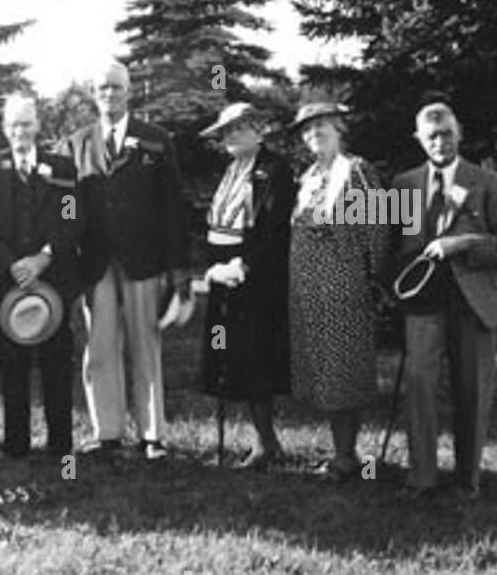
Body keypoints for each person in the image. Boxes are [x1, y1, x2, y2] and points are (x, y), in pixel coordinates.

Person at [392, 101, 497, 500]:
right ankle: (421, 478)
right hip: (423, 305)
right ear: (419, 139)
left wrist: (466, 243)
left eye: (447, 133)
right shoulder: (403, 185)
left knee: (472, 390)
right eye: (431, 135)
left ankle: (467, 482)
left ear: (460, 133)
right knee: (419, 386)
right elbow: (390, 244)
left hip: (475, 304)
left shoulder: (489, 183)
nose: (440, 142)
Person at [69, 62, 191, 460]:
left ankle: (153, 436)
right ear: (93, 92)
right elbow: (67, 207)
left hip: (144, 259)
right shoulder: (76, 142)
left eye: (117, 87)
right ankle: (107, 433)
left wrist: (179, 270)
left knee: (145, 344)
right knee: (100, 348)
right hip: (95, 261)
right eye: (103, 87)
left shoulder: (156, 140)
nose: (110, 94)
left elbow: (174, 207)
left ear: (129, 91)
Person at [0, 95, 82, 458]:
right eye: (13, 125)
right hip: (7, 286)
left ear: (38, 126)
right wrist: (13, 265)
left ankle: (61, 446)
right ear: (5, 129)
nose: (20, 131)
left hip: (54, 279)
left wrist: (43, 258)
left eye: (26, 123)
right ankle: (16, 445)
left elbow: (72, 220)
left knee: (56, 364)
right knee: (12, 366)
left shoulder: (63, 169)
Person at [288, 101, 392, 480]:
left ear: (339, 129)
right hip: (310, 290)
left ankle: (347, 456)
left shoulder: (357, 171)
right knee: (325, 372)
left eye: (323, 126)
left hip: (345, 287)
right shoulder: (308, 177)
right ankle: (340, 451)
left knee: (344, 371)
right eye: (309, 129)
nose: (315, 133)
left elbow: (378, 230)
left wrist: (376, 281)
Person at [197, 102, 296, 469]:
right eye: (226, 130)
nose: (231, 136)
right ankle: (261, 442)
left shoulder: (274, 170)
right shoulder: (231, 170)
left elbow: (273, 229)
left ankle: (265, 443)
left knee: (257, 357)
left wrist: (244, 266)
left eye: (240, 128)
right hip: (223, 273)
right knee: (227, 351)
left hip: (255, 276)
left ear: (258, 130)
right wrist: (215, 269)